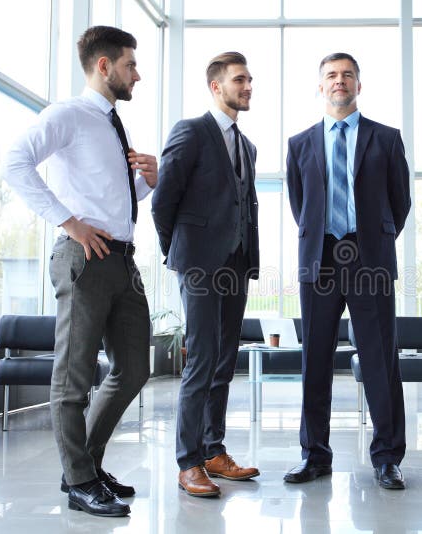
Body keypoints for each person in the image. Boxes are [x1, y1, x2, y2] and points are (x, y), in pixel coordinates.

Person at [2, 26, 157, 517]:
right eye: (131, 64)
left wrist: (148, 182)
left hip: (122, 259)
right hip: (84, 259)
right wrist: (68, 222)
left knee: (134, 367)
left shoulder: (112, 125)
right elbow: (15, 163)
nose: (138, 73)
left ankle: (87, 464)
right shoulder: (68, 115)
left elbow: (112, 203)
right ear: (105, 66)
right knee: (73, 377)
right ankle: (79, 479)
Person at [284, 52, 411, 489]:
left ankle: (387, 457)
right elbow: (300, 205)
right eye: (331, 76)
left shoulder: (387, 139)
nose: (340, 81)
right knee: (314, 359)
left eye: (348, 75)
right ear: (320, 86)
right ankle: (314, 454)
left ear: (359, 84)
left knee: (380, 358)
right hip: (319, 258)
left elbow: (401, 203)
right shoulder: (299, 144)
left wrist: (372, 240)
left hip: (368, 256)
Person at [152, 51, 260, 498]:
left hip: (236, 262)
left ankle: (214, 450)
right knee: (200, 359)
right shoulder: (191, 131)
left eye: (250, 79)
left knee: (224, 359)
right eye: (240, 80)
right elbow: (164, 199)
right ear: (217, 86)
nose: (248, 86)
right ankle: (188, 461)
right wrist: (177, 251)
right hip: (198, 261)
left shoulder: (247, 145)